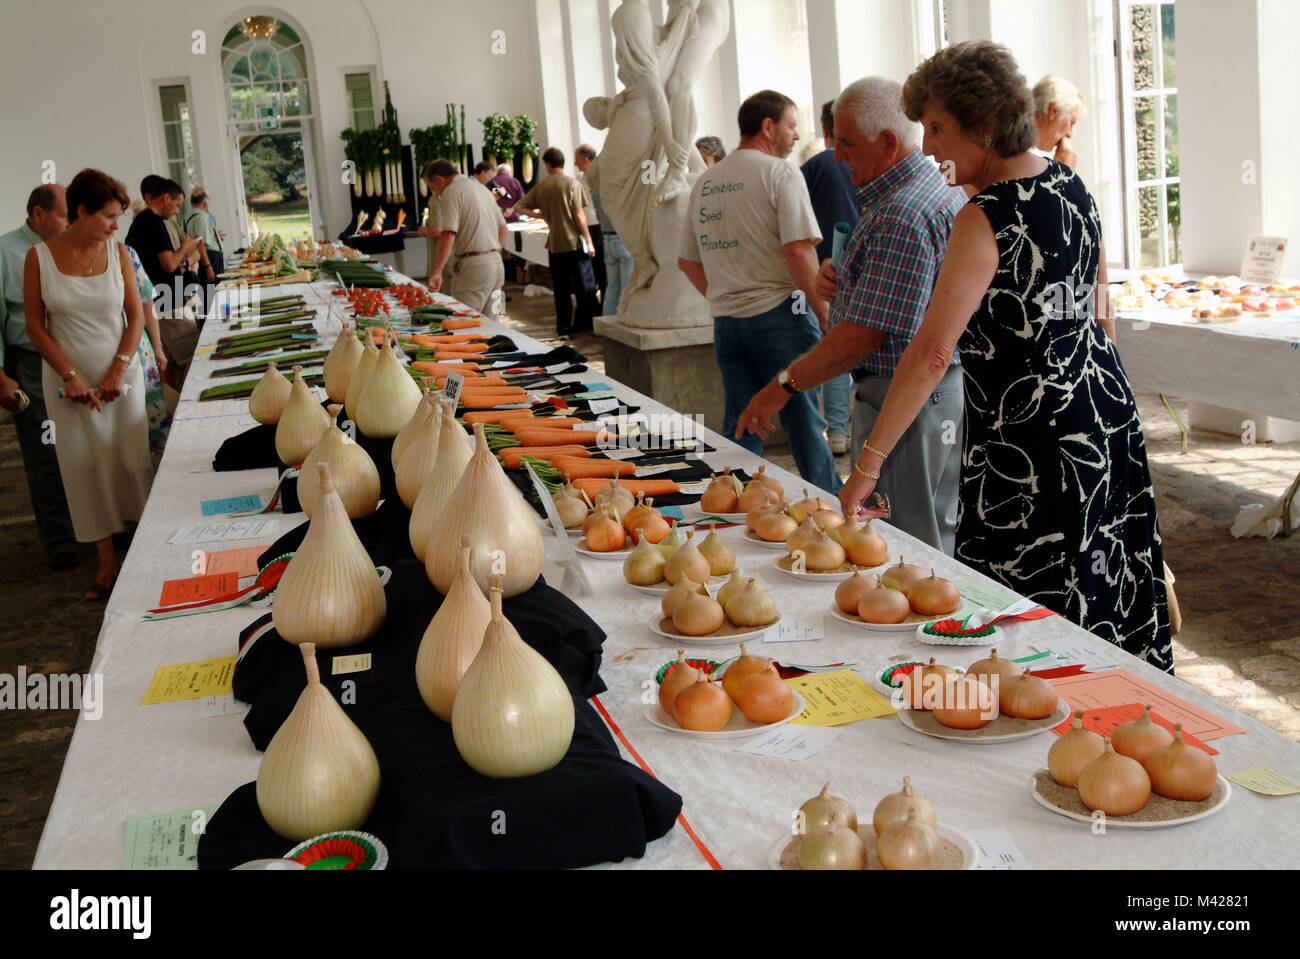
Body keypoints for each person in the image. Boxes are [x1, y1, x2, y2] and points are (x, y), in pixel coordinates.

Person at [840, 41, 1171, 669]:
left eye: (937, 127)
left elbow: (933, 352)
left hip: (1033, 438)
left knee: (1033, 611)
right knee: (1098, 585)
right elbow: (1101, 310)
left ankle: (1051, 719)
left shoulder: (985, 216)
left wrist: (869, 463)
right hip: (1101, 412)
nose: (929, 144)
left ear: (985, 125)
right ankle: (1111, 718)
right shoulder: (1071, 185)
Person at [738, 78, 967, 552]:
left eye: (846, 143)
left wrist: (781, 387)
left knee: (908, 547)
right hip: (928, 400)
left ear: (887, 142)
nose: (837, 156)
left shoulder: (902, 213)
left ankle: (933, 628)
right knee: (928, 533)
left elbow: (863, 336)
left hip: (905, 403)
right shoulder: (923, 193)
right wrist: (842, 277)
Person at [677, 89, 839, 494]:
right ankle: (834, 508)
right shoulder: (780, 174)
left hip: (727, 324)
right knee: (802, 417)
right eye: (791, 125)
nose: (797, 135)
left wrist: (724, 296)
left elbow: (686, 261)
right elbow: (799, 249)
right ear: (768, 127)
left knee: (745, 419)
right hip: (780, 317)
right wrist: (825, 314)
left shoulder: (706, 182)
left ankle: (733, 501)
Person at [23, 169, 153, 601]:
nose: (117, 225)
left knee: (132, 464)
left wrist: (119, 367)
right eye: (110, 216)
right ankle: (107, 564)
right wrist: (71, 376)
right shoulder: (38, 258)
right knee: (84, 469)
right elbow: (36, 327)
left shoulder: (119, 253)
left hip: (123, 377)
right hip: (67, 383)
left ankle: (143, 555)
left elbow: (135, 317)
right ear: (81, 212)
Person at [0, 185, 79, 570]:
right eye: (64, 214)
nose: (70, 222)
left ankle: (93, 528)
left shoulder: (64, 248)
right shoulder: (6, 252)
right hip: (29, 363)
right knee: (45, 451)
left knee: (81, 446)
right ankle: (61, 540)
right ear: (38, 213)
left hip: (72, 358)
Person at [800, 99, 858, 457]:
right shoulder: (873, 164)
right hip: (872, 265)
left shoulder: (811, 168)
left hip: (824, 270)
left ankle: (836, 430)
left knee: (835, 347)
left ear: (825, 130)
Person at [515, 147, 599, 338]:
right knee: (585, 287)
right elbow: (579, 214)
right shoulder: (572, 183)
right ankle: (589, 324)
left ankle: (564, 329)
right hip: (575, 243)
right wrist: (589, 239)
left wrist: (539, 214)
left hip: (554, 244)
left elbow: (519, 206)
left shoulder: (541, 186)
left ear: (547, 164)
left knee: (561, 290)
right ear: (562, 162)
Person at [421, 159, 508, 319]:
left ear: (440, 179)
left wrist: (437, 272)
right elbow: (503, 228)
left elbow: (448, 234)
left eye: (433, 188)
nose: (436, 193)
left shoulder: (452, 191)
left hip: (474, 268)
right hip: (497, 265)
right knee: (495, 324)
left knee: (465, 322)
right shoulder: (483, 189)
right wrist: (494, 251)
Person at [124, 245, 171, 468]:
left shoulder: (126, 253)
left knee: (147, 420)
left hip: (137, 351)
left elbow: (147, 302)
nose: (113, 225)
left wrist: (158, 346)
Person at [574, 144, 607, 306]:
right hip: (584, 228)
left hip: (599, 227)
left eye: (577, 160)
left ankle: (605, 304)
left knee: (602, 269)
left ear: (586, 159)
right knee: (589, 271)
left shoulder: (602, 175)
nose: (575, 164)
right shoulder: (579, 178)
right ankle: (591, 306)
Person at [1032, 75, 1083, 169]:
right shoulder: (1015, 153)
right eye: (1071, 122)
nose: (1069, 134)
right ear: (1053, 110)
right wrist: (1064, 170)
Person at [595, 189, 632, 316]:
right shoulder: (618, 187)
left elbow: (598, 216)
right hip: (622, 237)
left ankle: (608, 324)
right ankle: (625, 320)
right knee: (626, 287)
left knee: (611, 287)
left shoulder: (595, 189)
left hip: (606, 237)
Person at [183, 187, 225, 276]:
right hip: (210, 258)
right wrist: (208, 267)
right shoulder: (202, 216)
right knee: (214, 288)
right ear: (205, 203)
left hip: (200, 258)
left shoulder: (186, 217)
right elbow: (201, 244)